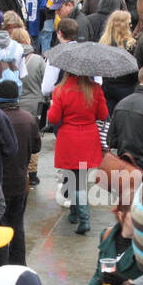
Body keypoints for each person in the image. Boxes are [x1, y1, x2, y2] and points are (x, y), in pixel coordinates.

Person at [47, 70, 108, 235]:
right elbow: (103, 114)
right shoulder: (95, 88)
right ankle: (75, 213)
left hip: (68, 137)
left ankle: (84, 217)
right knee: (78, 176)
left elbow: (53, 118)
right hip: (89, 136)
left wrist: (52, 107)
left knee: (74, 177)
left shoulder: (60, 89)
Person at [0, 80, 40, 264]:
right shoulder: (28, 118)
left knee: (0, 225)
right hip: (20, 180)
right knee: (17, 224)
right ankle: (19, 264)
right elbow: (36, 147)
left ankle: (1, 265)